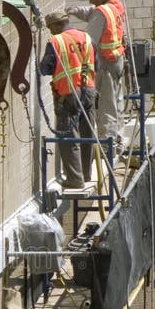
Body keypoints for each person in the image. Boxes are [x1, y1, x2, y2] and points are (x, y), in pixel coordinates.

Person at [39, 10, 97, 190]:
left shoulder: (56, 42)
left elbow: (46, 68)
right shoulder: (86, 38)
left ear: (57, 25)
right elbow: (98, 63)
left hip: (69, 93)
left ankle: (75, 178)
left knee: (68, 136)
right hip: (89, 90)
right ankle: (86, 174)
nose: (50, 32)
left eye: (50, 28)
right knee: (87, 132)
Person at [68, 0, 126, 142]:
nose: (90, 1)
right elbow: (91, 12)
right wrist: (74, 11)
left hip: (106, 64)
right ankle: (118, 138)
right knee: (117, 101)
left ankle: (108, 142)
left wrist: (69, 35)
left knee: (106, 105)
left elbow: (88, 39)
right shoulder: (115, 6)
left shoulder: (101, 12)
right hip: (117, 60)